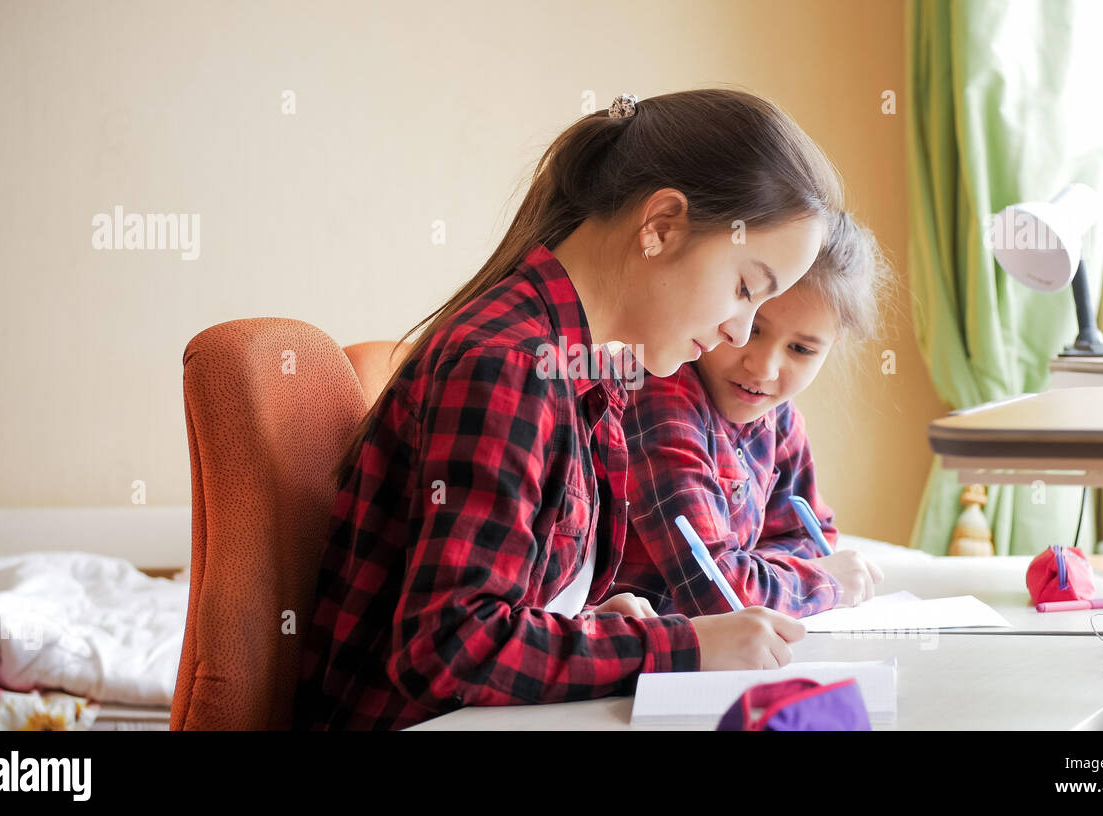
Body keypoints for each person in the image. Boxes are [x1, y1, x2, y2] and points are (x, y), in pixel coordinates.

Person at [293, 89, 844, 730]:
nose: (740, 333)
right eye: (746, 289)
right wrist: (685, 646)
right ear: (661, 226)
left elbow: (500, 609)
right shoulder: (509, 364)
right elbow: (447, 646)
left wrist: (576, 627)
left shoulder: (583, 367)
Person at [614, 210, 892, 617]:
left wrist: (767, 573)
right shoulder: (660, 392)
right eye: (754, 328)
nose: (763, 369)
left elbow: (811, 536)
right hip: (648, 657)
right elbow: (718, 594)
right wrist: (824, 580)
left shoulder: (780, 420)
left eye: (801, 349)